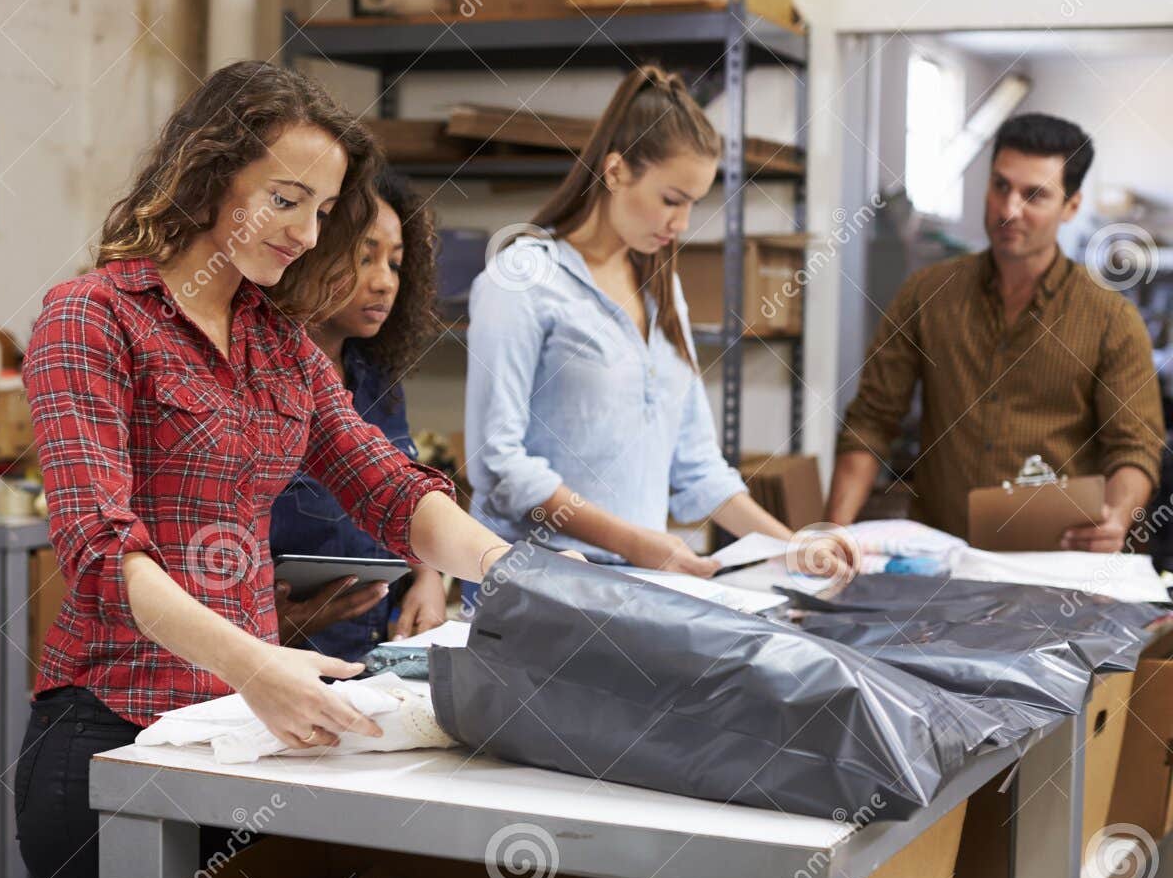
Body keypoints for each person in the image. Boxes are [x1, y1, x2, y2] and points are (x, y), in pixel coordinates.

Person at [17, 61, 534, 878]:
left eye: (323, 210)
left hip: (242, 739)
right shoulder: (93, 317)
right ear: (208, 173)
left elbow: (389, 487)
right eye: (286, 199)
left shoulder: (280, 343)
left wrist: (512, 571)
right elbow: (101, 550)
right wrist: (255, 665)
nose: (304, 232)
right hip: (110, 731)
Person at [466, 65, 855, 577]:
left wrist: (792, 547)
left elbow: (698, 468)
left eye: (693, 204)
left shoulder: (660, 288)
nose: (681, 223)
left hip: (639, 579)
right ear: (615, 171)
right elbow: (498, 467)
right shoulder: (523, 280)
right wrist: (635, 544)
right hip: (537, 581)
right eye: (671, 200)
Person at [826, 112, 1164, 549]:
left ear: (1071, 206)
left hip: (1054, 562)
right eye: (1000, 186)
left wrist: (1117, 518)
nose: (1009, 210)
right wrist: (832, 532)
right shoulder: (927, 294)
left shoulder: (1111, 320)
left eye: (1034, 195)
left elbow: (1135, 447)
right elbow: (872, 420)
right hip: (941, 557)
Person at [269, 169, 449, 658]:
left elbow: (404, 492)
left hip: (369, 656)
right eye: (363, 257)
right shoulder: (260, 374)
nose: (384, 283)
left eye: (394, 264)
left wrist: (429, 578)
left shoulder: (380, 384)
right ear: (310, 254)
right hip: (274, 662)